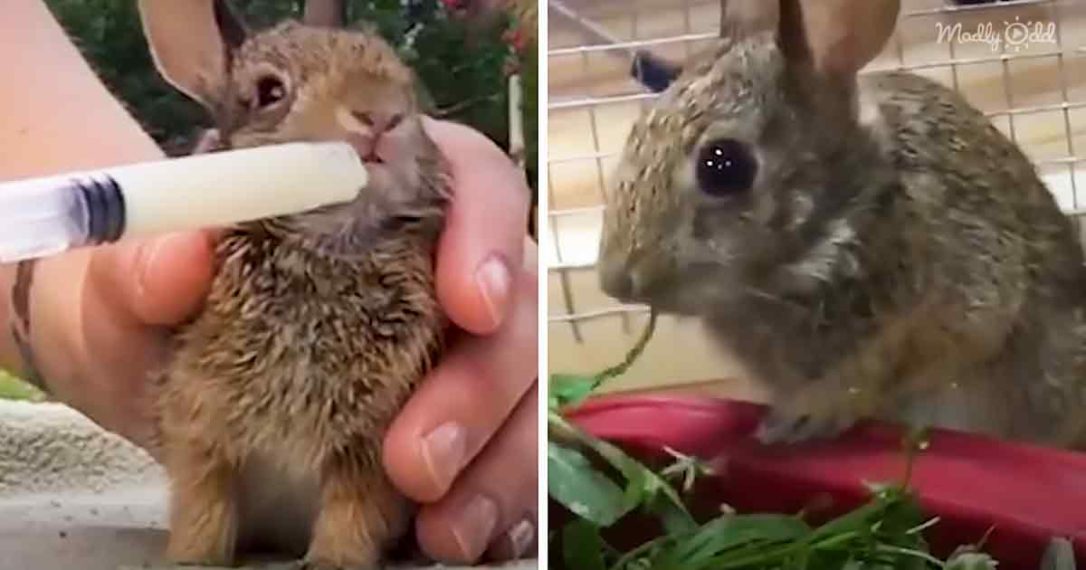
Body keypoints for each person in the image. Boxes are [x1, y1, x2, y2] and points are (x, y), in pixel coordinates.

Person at [0, 0, 538, 564]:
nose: (375, 115)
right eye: (273, 93)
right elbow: (200, 436)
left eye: (399, 95)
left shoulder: (417, 278)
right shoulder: (218, 257)